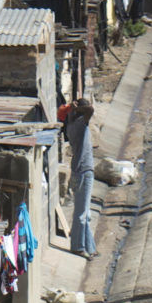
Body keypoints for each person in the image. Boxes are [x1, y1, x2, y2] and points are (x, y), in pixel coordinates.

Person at [65, 98, 97, 257]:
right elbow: (90, 110)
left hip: (79, 169)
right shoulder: (80, 125)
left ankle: (89, 246)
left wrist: (74, 109)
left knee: (85, 211)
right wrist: (79, 108)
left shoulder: (71, 125)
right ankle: (78, 246)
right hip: (84, 170)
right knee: (82, 213)